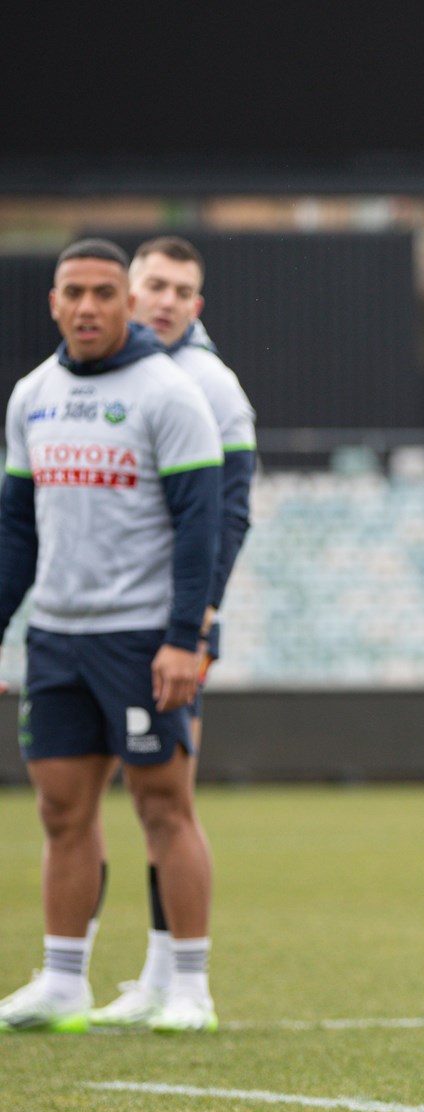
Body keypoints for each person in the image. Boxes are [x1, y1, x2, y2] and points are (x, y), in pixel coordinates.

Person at [0, 238, 223, 1035]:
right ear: (53, 302)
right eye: (74, 293)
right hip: (57, 640)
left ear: (126, 303)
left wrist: (180, 638)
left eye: (104, 292)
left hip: (139, 640)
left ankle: (189, 987)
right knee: (62, 811)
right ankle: (64, 981)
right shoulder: (32, 395)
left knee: (164, 806)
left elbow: (201, 532)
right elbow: (16, 534)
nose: (89, 306)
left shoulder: (168, 393)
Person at [88, 235, 256, 1031]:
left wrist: (204, 614)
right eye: (153, 284)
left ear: (196, 306)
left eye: (179, 291)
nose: (162, 300)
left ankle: (187, 979)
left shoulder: (207, 384)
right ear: (128, 286)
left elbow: (229, 509)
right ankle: (158, 974)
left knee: (167, 797)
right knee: (146, 798)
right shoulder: (118, 372)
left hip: (172, 621)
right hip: (112, 617)